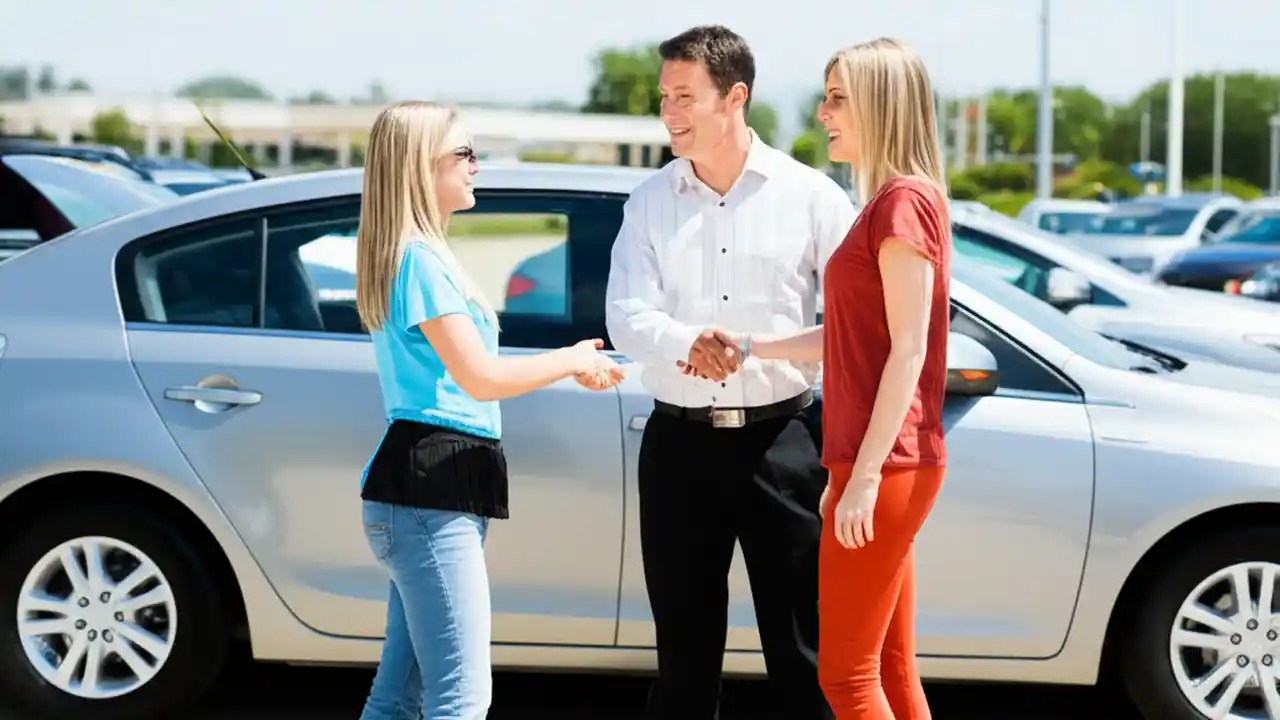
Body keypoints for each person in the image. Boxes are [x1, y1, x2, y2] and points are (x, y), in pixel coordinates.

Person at [604, 25, 856, 719]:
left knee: (804, 655)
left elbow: (852, 327)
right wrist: (690, 341)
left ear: (734, 96)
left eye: (685, 96)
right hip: (678, 448)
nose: (669, 112)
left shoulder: (812, 198)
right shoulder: (649, 201)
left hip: (782, 446)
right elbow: (625, 314)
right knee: (683, 660)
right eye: (664, 97)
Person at [353, 100, 625, 720]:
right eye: (465, 154)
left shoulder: (416, 256)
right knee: (461, 699)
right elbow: (481, 378)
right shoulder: (420, 261)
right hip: (429, 494)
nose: (477, 166)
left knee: (400, 697)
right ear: (423, 168)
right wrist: (570, 359)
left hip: (427, 491)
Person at [736, 38, 952, 719]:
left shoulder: (900, 205)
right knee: (887, 669)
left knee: (847, 679)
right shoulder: (892, 203)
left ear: (880, 105)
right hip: (879, 464)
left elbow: (909, 350)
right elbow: (856, 339)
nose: (823, 112)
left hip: (885, 468)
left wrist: (859, 477)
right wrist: (754, 346)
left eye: (837, 98)